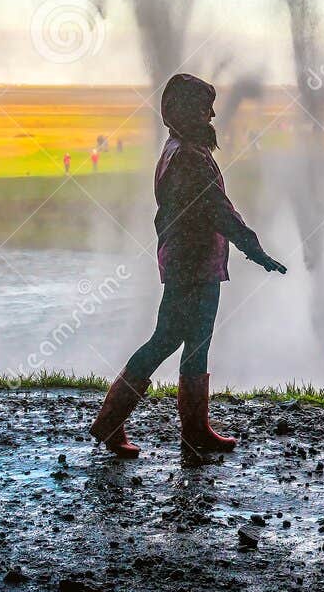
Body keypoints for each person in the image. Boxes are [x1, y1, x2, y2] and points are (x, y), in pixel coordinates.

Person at [91, 73, 287, 458]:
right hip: (194, 263)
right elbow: (218, 210)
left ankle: (187, 429)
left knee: (190, 342)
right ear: (186, 111)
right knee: (170, 339)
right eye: (203, 106)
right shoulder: (191, 157)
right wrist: (255, 249)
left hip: (188, 260)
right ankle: (123, 423)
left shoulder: (176, 150)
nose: (212, 114)